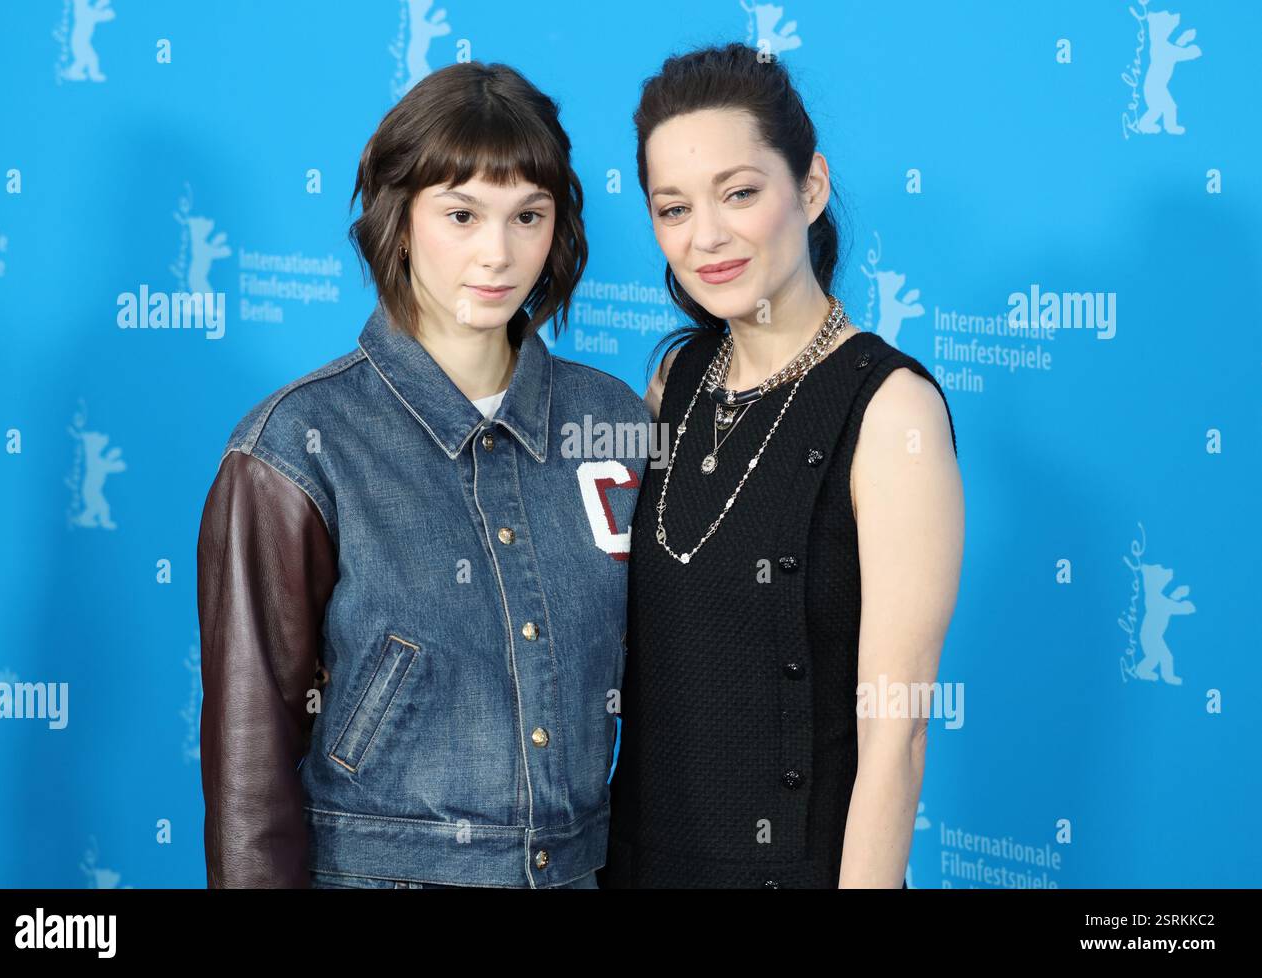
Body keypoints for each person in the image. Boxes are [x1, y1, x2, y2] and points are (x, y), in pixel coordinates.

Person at [197, 60, 650, 889]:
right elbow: (249, 779)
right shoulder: (293, 447)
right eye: (462, 213)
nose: (498, 252)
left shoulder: (612, 421)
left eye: (529, 216)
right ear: (399, 219)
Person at [599, 42, 964, 888]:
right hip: (633, 863)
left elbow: (897, 734)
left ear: (811, 187)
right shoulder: (674, 380)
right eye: (674, 208)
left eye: (740, 193)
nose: (708, 237)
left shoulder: (891, 410)